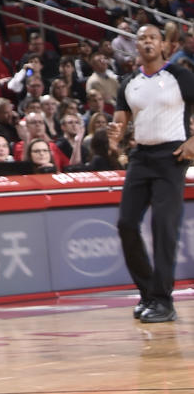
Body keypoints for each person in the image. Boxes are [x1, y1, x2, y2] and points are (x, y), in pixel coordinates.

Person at [109, 22, 194, 323]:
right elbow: (121, 118)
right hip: (141, 156)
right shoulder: (129, 82)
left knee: (163, 228)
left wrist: (192, 142)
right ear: (136, 45)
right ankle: (148, 293)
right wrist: (115, 133)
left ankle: (163, 301)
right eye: (141, 38)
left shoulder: (180, 76)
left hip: (172, 156)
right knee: (126, 223)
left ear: (163, 45)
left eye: (152, 38)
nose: (147, 42)